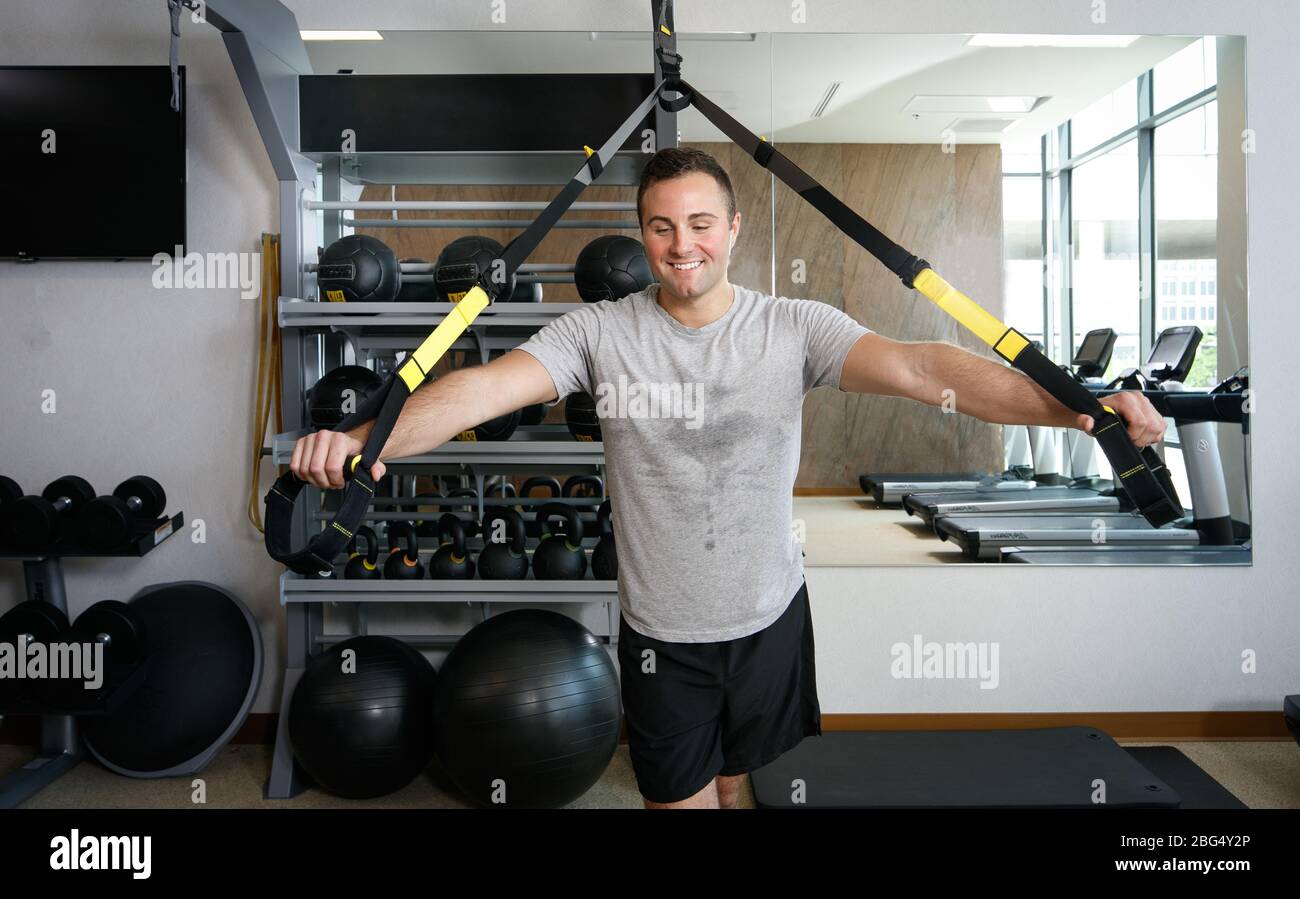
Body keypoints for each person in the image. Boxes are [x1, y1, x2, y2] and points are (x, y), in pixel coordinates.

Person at [290, 147, 1167, 809]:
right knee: (678, 797)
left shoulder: (793, 327)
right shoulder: (597, 332)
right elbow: (480, 389)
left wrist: (1074, 408)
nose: (683, 246)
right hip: (660, 632)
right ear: (642, 234)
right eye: (663, 226)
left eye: (701, 223)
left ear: (733, 228)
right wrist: (366, 440)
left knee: (744, 783)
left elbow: (921, 364)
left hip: (769, 614)